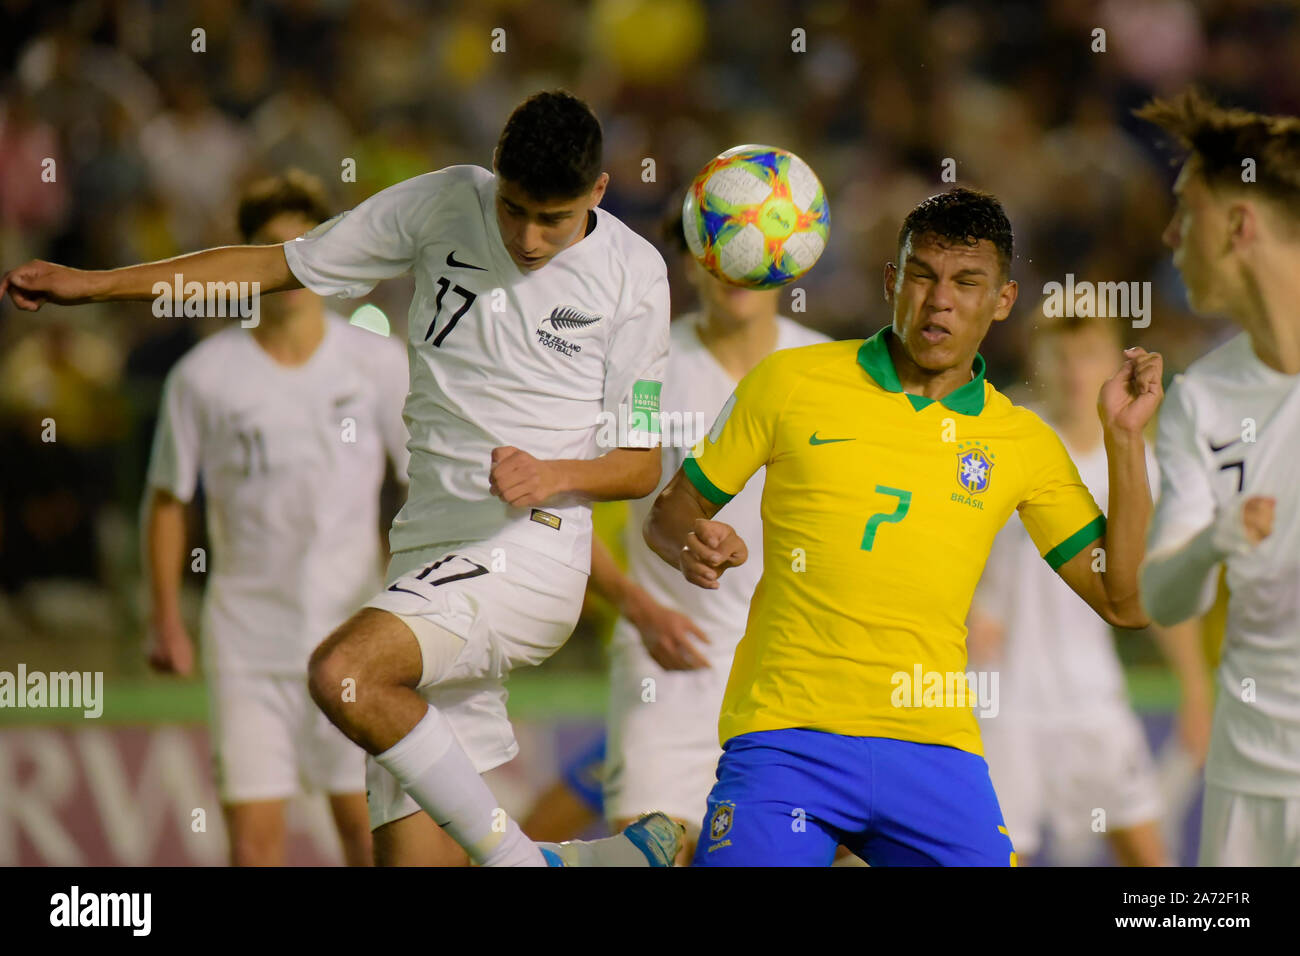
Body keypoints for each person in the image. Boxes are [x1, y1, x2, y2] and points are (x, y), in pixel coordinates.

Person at [1, 89, 681, 867]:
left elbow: (641, 462)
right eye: (514, 208)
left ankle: (537, 864)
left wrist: (554, 473)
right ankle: (605, 862)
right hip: (424, 560)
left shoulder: (634, 274)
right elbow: (273, 266)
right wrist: (95, 283)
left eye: (551, 219)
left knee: (343, 671)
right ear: (493, 174)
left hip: (530, 551)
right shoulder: (442, 202)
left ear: (597, 192)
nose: (527, 237)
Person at [644, 186, 1164, 866]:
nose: (939, 299)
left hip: (935, 750)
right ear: (894, 282)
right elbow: (670, 512)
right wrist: (694, 543)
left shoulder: (1023, 442)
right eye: (922, 275)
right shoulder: (790, 382)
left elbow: (1125, 601)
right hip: (787, 739)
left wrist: (1124, 441)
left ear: (1002, 301)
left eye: (967, 282)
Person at [144, 170, 406, 866]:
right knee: (256, 847)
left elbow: (427, 483)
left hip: (353, 637)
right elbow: (169, 499)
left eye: (304, 248)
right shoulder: (203, 376)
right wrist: (166, 616)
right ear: (246, 259)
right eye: (270, 250)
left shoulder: (378, 363)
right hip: (246, 643)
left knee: (366, 832)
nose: (288, 268)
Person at [596, 212, 829, 863]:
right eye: (720, 248)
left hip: (791, 672)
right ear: (693, 260)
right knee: (647, 854)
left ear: (791, 258)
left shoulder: (825, 370)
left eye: (756, 249)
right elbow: (560, 509)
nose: (738, 266)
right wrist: (639, 609)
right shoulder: (646, 374)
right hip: (668, 666)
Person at [967, 311, 1212, 867]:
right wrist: (970, 609)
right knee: (1004, 855)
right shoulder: (1005, 438)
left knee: (1149, 858)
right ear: (1040, 362)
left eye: (1088, 356)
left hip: (1091, 695)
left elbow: (1159, 584)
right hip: (1001, 694)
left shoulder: (1136, 461)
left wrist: (1196, 690)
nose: (1075, 372)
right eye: (1062, 355)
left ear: (1111, 365)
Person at [1136, 89, 1300, 866]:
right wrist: (1212, 545)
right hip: (1248, 784)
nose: (1170, 236)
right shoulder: (1199, 399)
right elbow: (1163, 592)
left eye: (1185, 211)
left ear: (1238, 225)